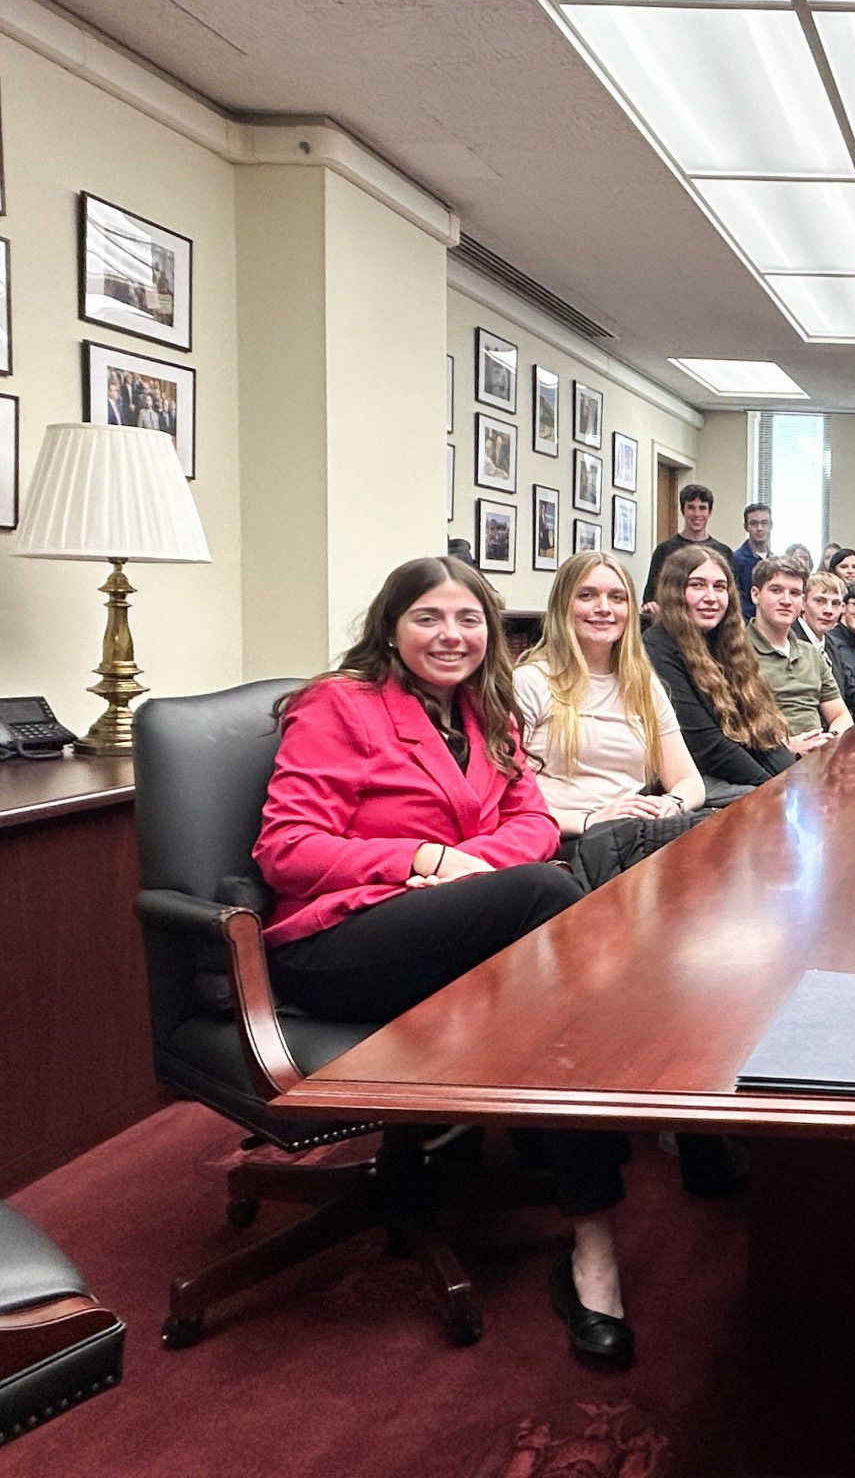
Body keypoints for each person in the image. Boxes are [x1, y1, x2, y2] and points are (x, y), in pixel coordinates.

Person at [253, 555, 635, 1367]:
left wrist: (474, 869)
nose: (451, 636)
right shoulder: (339, 705)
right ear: (391, 628)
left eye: (469, 620)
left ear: (491, 633)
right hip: (341, 942)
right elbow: (287, 850)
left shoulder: (484, 709)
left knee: (558, 967)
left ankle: (585, 1224)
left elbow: (531, 819)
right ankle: (597, 1198)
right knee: (554, 905)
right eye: (429, 617)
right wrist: (425, 862)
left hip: (454, 924)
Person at [514, 552, 705, 856]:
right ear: (564, 604)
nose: (604, 608)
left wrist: (671, 803)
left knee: (725, 830)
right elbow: (504, 801)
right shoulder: (530, 681)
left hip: (633, 831)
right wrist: (588, 820)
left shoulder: (642, 683)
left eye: (617, 598)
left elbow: (688, 781)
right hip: (567, 837)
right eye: (587, 595)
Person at [643, 545, 797, 791]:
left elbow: (759, 733)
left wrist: (795, 779)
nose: (711, 597)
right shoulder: (657, 647)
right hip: (693, 778)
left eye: (720, 587)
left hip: (735, 772)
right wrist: (772, 790)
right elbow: (706, 745)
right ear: (674, 591)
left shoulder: (727, 643)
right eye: (697, 585)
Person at [747, 556, 850, 746]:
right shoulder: (736, 650)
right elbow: (733, 728)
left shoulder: (811, 653)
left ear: (802, 602)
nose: (786, 600)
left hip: (818, 758)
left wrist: (828, 741)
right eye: (776, 590)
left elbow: (841, 715)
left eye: (794, 593)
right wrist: (790, 747)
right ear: (756, 595)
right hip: (767, 762)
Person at [799, 570, 855, 720]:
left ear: (842, 608)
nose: (828, 610)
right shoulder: (791, 641)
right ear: (803, 603)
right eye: (820, 601)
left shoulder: (830, 645)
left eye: (835, 603)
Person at [642, 483, 732, 608]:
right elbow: (650, 594)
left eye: (702, 508)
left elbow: (732, 594)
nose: (696, 514)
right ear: (682, 511)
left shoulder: (724, 552)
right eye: (691, 507)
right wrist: (650, 605)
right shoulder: (665, 550)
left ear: (710, 512)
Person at [733, 503, 775, 619]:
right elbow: (737, 602)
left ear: (771, 526)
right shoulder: (734, 560)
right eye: (754, 523)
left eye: (764, 523)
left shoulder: (776, 563)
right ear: (746, 527)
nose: (759, 528)